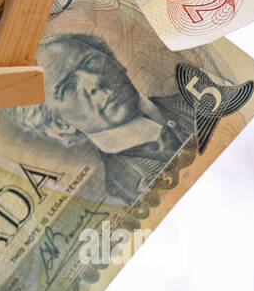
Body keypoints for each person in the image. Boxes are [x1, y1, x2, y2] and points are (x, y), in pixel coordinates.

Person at [11, 32, 195, 205]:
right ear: (60, 124)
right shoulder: (127, 190)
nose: (95, 81)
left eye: (91, 62)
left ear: (116, 62)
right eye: (66, 87)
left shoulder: (196, 99)